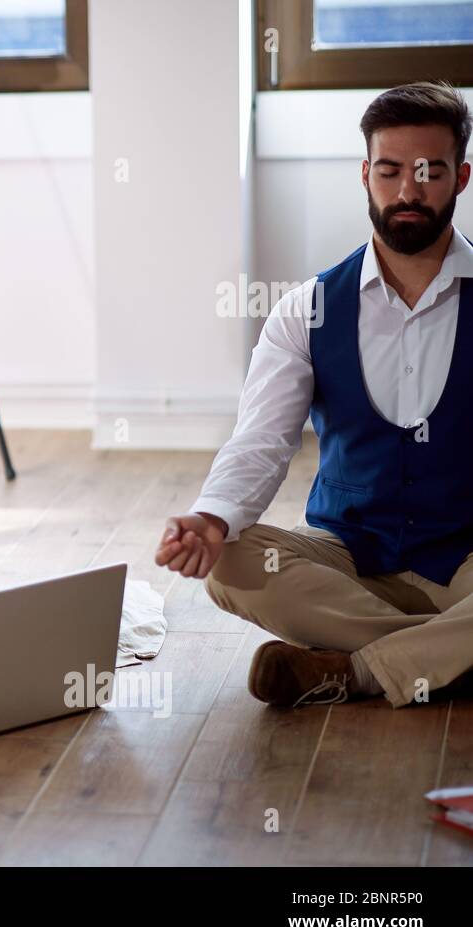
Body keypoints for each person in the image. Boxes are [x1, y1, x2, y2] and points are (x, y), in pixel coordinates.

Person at [156, 81, 472, 709]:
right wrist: (212, 517)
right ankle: (443, 657)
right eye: (389, 171)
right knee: (234, 559)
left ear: (461, 177)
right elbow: (262, 441)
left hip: (464, 559)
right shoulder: (308, 309)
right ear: (364, 175)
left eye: (429, 173)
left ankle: (353, 671)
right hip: (345, 558)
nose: (408, 192)